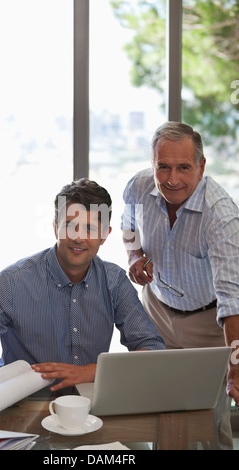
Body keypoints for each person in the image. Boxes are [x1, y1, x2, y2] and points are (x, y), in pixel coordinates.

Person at [0, 178, 165, 392]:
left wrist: (92, 372)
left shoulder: (114, 281)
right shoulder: (13, 280)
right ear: (55, 227)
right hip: (20, 401)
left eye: (90, 229)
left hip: (88, 402)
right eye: (70, 226)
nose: (78, 237)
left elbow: (152, 349)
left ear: (104, 235)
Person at [121, 121, 239, 450]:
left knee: (208, 419)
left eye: (184, 167)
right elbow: (128, 227)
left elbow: (233, 300)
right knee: (160, 408)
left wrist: (236, 366)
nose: (172, 179)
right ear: (153, 163)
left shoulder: (222, 216)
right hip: (157, 311)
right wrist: (134, 255)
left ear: (201, 167)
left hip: (208, 323)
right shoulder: (137, 187)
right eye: (164, 167)